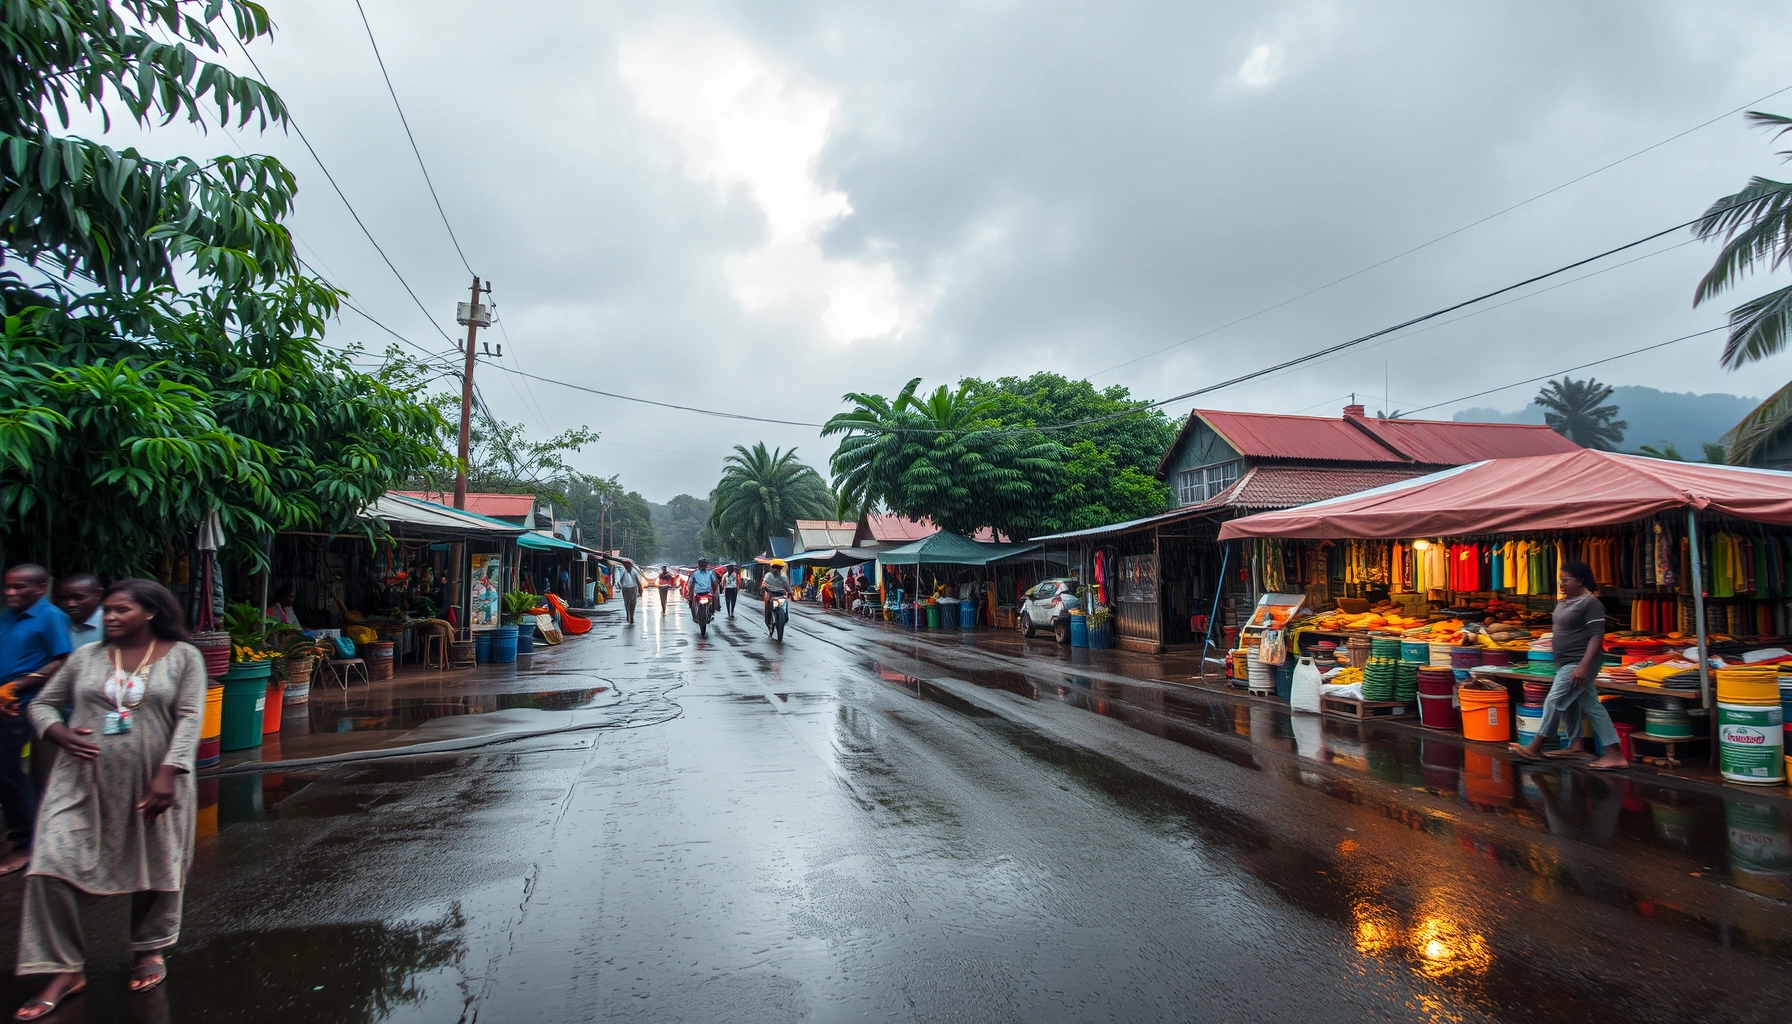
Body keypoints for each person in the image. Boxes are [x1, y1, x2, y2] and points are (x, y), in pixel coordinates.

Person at [13, 578, 204, 1018]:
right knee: (49, 864)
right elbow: (42, 705)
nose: (111, 617)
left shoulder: (183, 658)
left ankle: (149, 949)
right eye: (109, 611)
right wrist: (58, 731)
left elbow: (191, 718)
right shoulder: (86, 658)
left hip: (156, 779)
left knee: (157, 862)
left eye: (122, 610)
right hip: (79, 782)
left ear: (151, 612)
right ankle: (62, 968)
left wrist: (168, 773)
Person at [1510, 560, 1626, 770]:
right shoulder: (1564, 602)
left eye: (1566, 580)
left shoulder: (1590, 604)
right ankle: (1580, 746)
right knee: (1587, 705)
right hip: (1565, 661)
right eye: (1560, 580)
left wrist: (1583, 666)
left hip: (1579, 661)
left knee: (1554, 701)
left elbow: (1596, 636)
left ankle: (1535, 746)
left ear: (1580, 580)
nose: (1561, 584)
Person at [0, 566, 72, 877]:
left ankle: (28, 842)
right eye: (7, 587)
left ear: (41, 588)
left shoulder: (50, 616)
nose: (10, 593)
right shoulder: (8, 615)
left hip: (24, 705)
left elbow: (62, 659)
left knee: (8, 773)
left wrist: (18, 685)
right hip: (3, 702)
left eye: (18, 588)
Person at [53, 575, 104, 651]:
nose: (71, 604)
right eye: (64, 599)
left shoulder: (108, 622)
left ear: (98, 595)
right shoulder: (57, 622)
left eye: (79, 598)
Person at [761, 559, 792, 629]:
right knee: (768, 605)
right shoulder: (768, 576)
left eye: (777, 568)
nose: (776, 570)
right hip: (771, 596)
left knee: (784, 605)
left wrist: (789, 592)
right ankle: (769, 621)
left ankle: (784, 618)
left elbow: (787, 588)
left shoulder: (783, 578)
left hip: (780, 596)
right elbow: (763, 585)